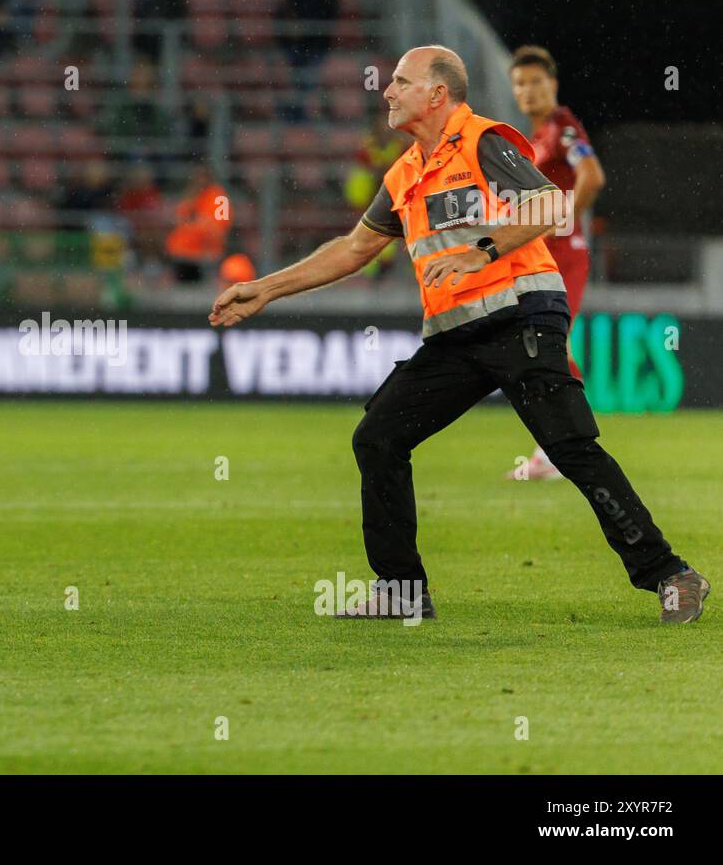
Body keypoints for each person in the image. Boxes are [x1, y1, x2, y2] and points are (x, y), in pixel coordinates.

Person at [209, 45, 709, 624]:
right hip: (459, 335)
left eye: (401, 82)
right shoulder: (405, 173)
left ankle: (672, 574)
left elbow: (550, 204)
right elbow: (354, 249)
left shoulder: (483, 141)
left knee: (569, 445)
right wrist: (266, 289)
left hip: (523, 314)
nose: (388, 91)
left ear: (437, 93)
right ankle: (401, 591)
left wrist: (484, 250)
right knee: (378, 437)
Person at [506, 44, 607, 481]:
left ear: (553, 84)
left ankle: (564, 448)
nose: (528, 91)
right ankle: (558, 448)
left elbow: (593, 176)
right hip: (541, 259)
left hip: (564, 257)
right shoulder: (532, 140)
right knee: (539, 347)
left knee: (549, 346)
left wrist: (562, 219)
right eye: (520, 84)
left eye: (536, 81)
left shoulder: (564, 128)